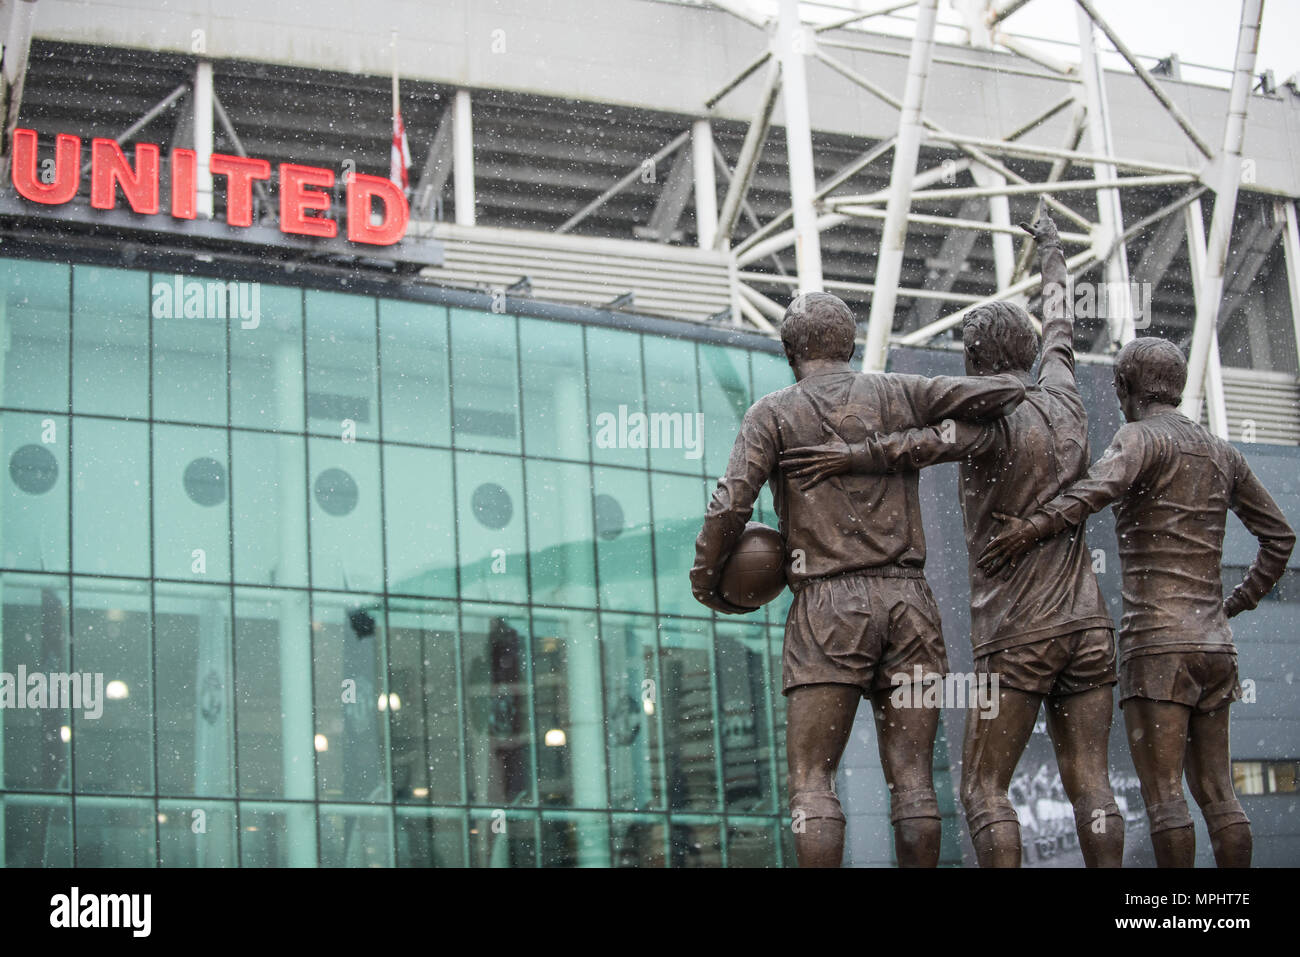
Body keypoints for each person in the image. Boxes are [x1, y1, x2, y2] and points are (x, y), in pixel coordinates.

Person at [781, 214, 1124, 867]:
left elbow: (923, 444)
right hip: (1089, 623)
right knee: (1094, 781)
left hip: (1020, 630)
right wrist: (1052, 253)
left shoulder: (989, 419)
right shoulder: (1064, 389)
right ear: (1026, 350)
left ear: (974, 362)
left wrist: (848, 456)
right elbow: (1060, 321)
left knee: (982, 788)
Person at [690, 291, 1027, 867]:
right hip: (909, 602)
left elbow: (730, 507)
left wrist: (707, 580)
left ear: (790, 350)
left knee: (812, 782)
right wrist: (896, 447)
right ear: (848, 345)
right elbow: (1007, 391)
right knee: (914, 780)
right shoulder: (896, 391)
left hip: (828, 603)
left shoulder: (773, 412)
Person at [979, 336, 1295, 867]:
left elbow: (1090, 494)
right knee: (1220, 794)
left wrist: (1030, 528)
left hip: (1158, 647)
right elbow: (1280, 539)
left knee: (1165, 795)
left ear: (1125, 388)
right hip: (1215, 646)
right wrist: (1234, 604)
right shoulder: (1223, 451)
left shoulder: (1140, 439)